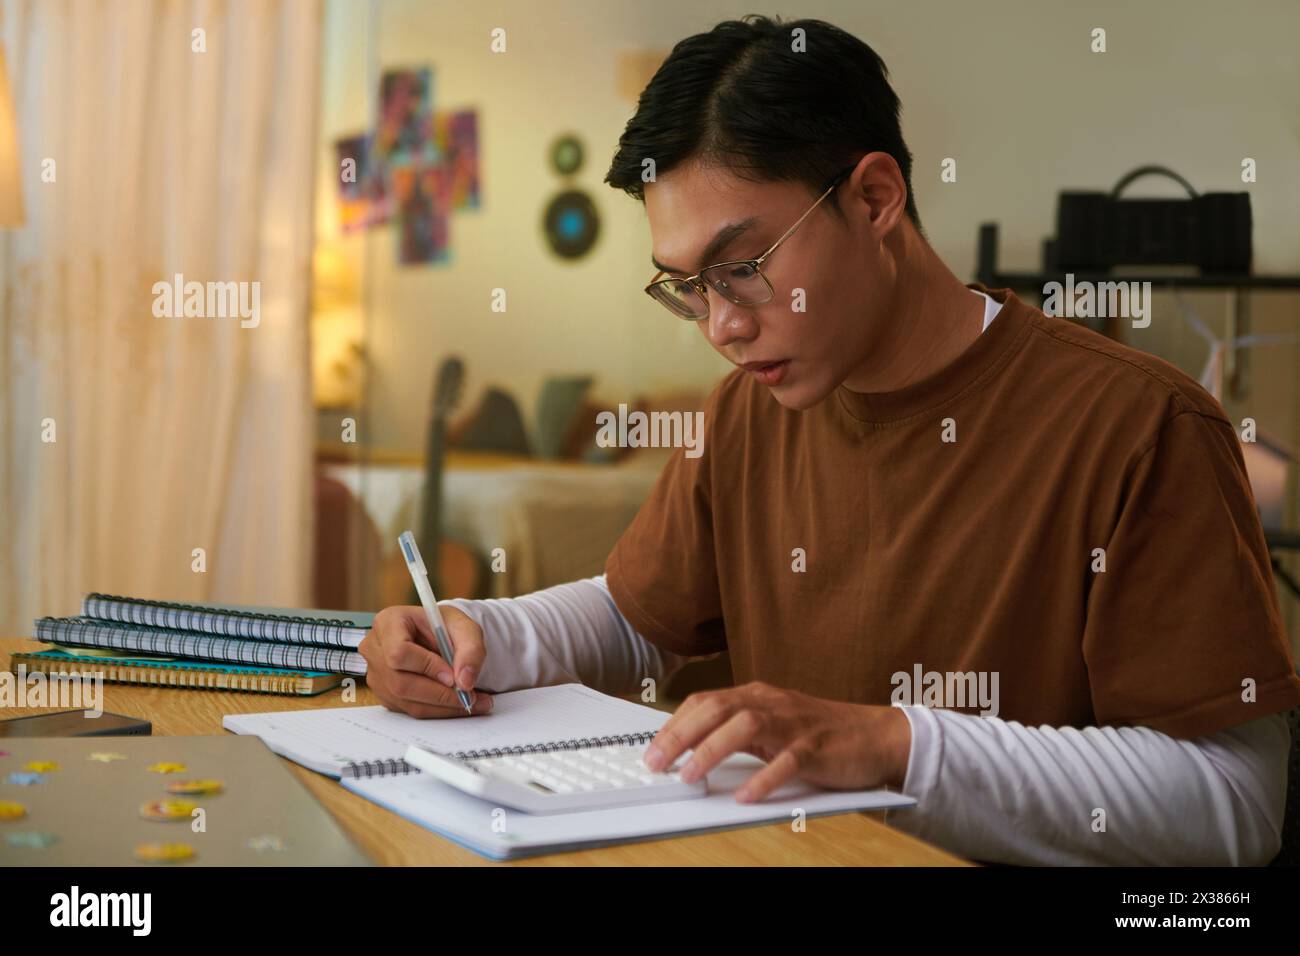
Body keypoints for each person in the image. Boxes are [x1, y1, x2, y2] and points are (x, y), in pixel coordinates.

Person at [359, 15, 1299, 865]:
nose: (719, 326)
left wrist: (896, 747)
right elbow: (635, 618)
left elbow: (1235, 805)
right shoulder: (747, 413)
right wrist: (487, 638)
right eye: (686, 285)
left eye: (742, 269)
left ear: (877, 198)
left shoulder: (1140, 427)